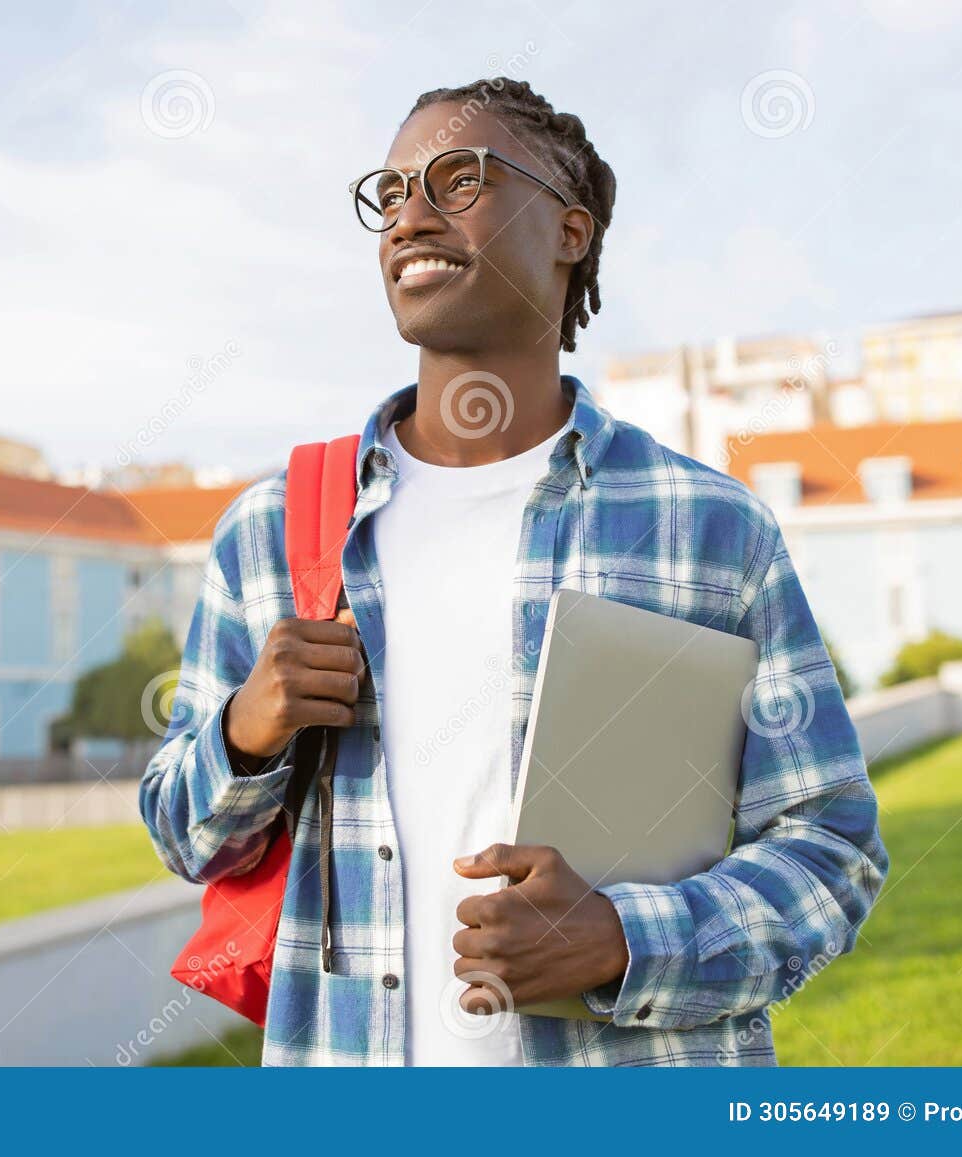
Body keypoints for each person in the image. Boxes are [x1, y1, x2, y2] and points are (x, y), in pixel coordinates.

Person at [139, 77, 887, 1066]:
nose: (410, 216)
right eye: (392, 190)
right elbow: (185, 834)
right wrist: (245, 730)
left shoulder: (708, 527)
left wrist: (625, 937)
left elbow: (828, 845)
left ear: (569, 231)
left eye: (459, 181)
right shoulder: (271, 529)